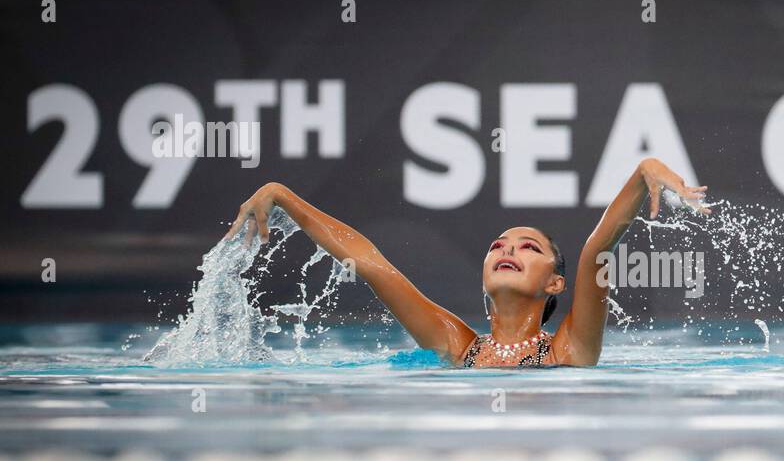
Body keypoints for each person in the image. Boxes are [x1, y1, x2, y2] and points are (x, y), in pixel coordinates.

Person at [224, 158, 708, 367]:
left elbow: (598, 249)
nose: (506, 250)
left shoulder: (569, 351)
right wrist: (282, 194)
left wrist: (645, 171)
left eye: (528, 247)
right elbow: (369, 262)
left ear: (556, 283)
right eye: (498, 245)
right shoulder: (457, 345)